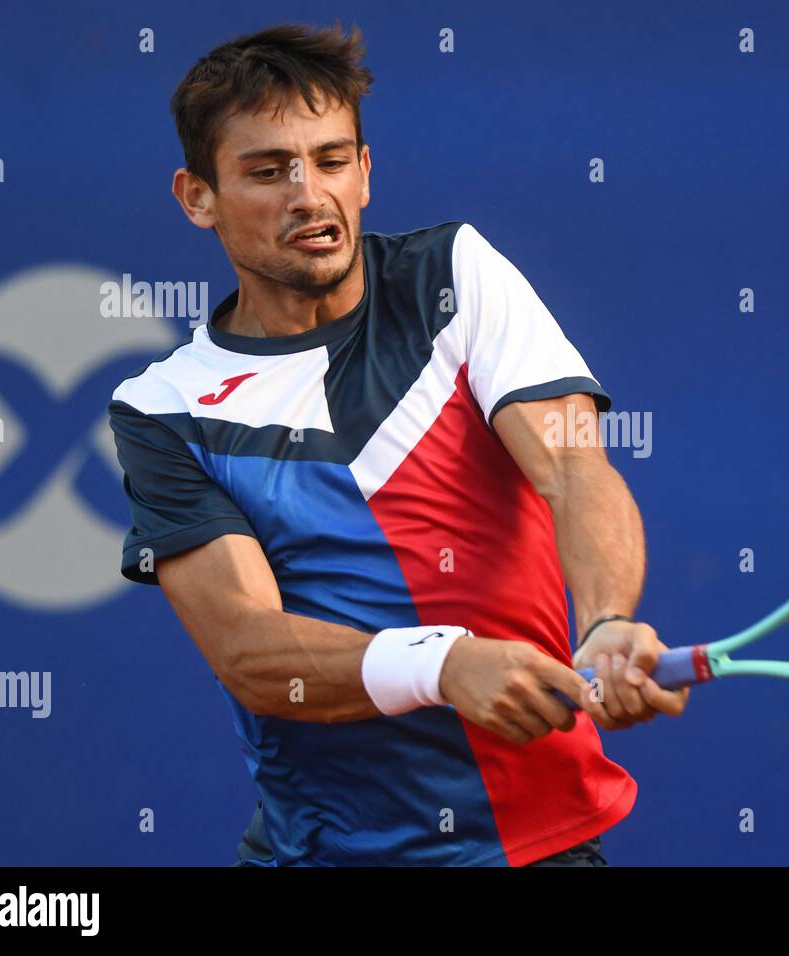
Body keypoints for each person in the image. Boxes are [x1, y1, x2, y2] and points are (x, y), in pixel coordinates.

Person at [108, 22, 688, 867]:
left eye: (333, 160)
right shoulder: (164, 407)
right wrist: (443, 663)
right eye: (269, 170)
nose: (310, 194)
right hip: (315, 853)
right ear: (197, 196)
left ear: (367, 173)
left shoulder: (453, 276)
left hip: (530, 847)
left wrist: (605, 621)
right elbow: (248, 649)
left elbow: (571, 464)